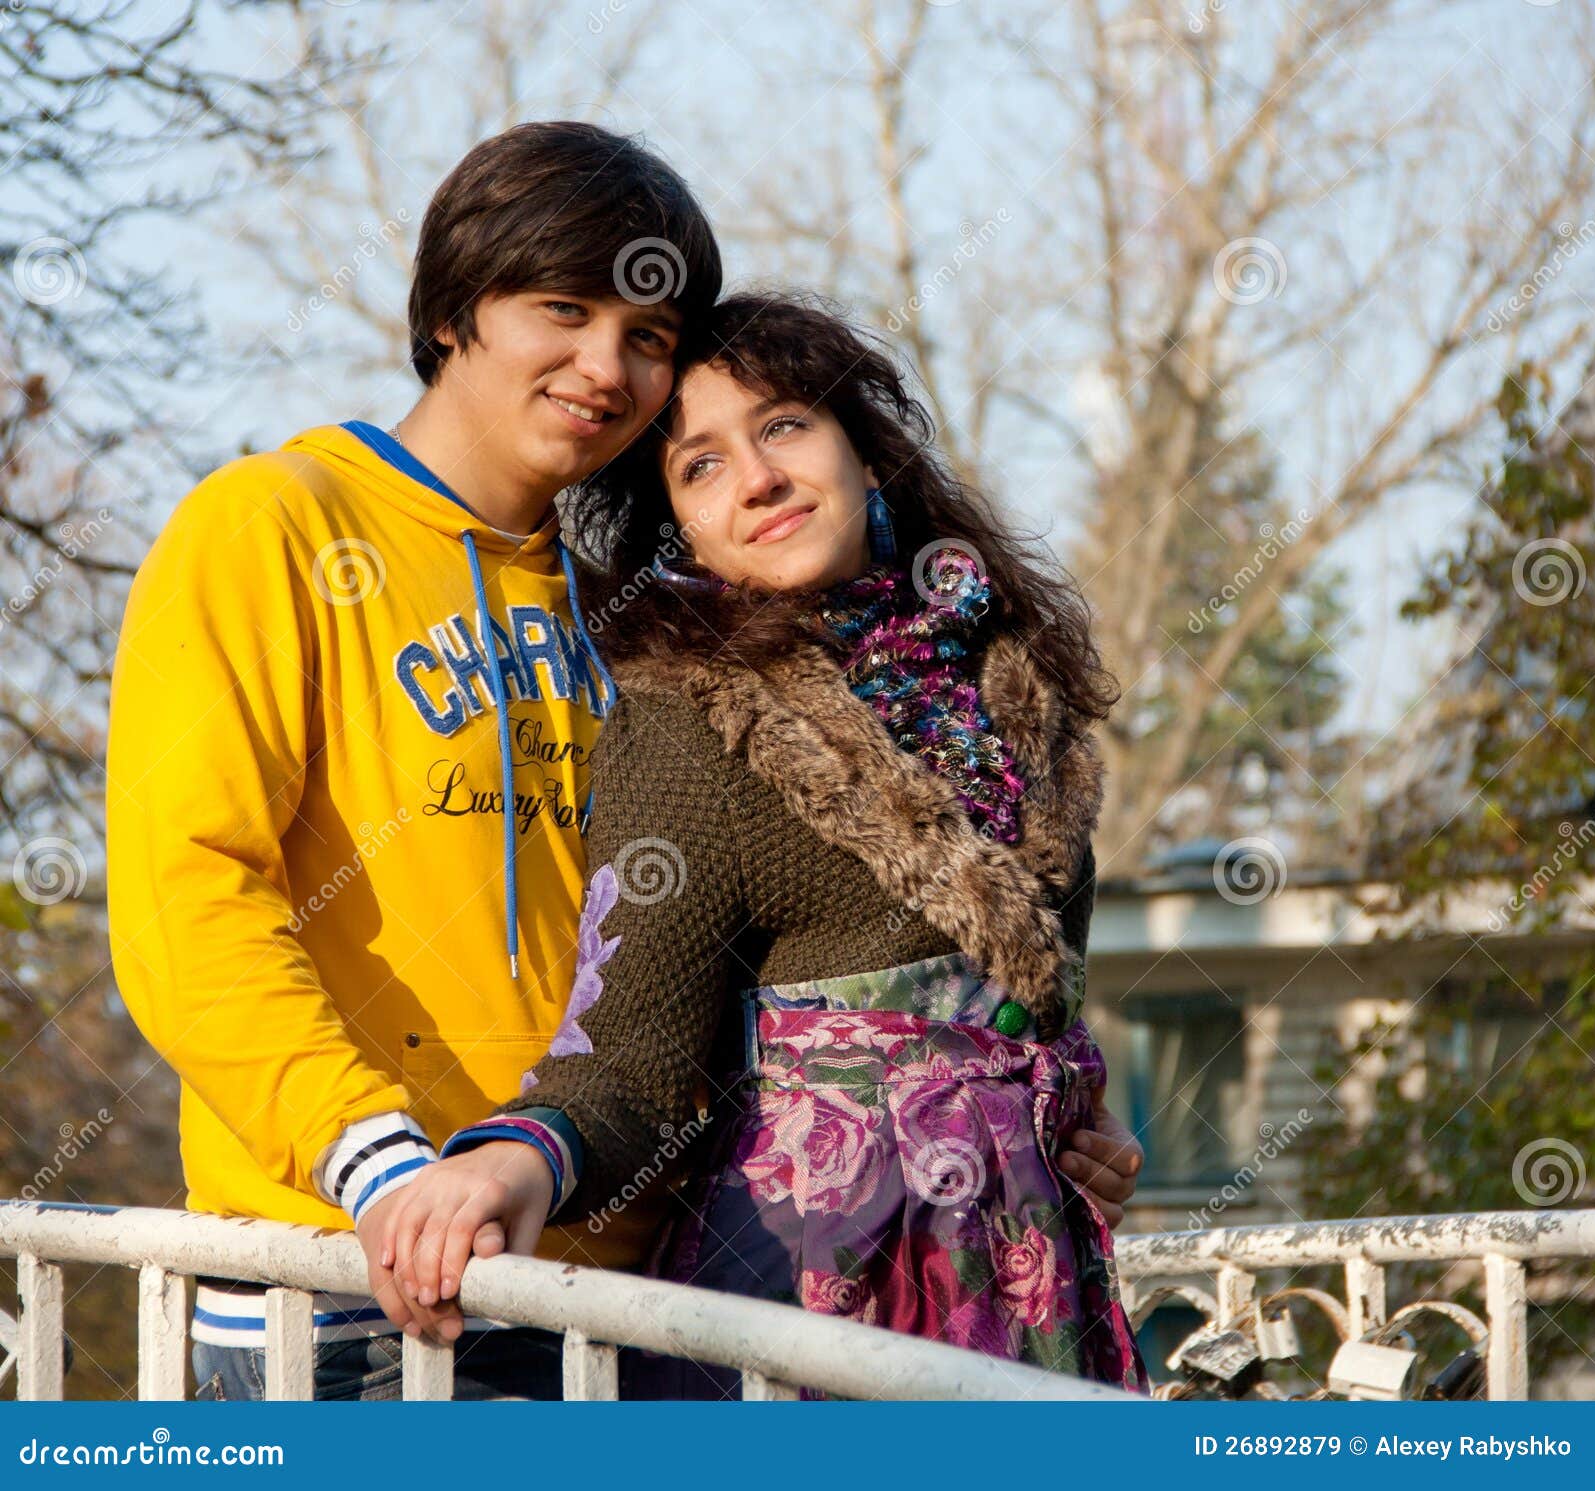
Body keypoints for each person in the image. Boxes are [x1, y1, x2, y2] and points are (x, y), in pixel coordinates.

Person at [383, 291, 1149, 1395]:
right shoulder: (688, 720)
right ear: (679, 527)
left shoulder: (1014, 691)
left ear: (865, 451)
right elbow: (627, 1061)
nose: (756, 478)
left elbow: (1031, 1002)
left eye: (784, 425)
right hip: (812, 1299)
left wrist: (1080, 1126)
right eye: (700, 465)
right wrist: (516, 1161)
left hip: (1033, 1282)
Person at [105, 120, 722, 1400]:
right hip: (357, 1284)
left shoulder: (636, 609)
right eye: (565, 309)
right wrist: (376, 1166)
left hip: (633, 1289)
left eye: (649, 337)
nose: (605, 366)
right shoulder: (270, 524)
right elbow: (186, 897)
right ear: (453, 311)